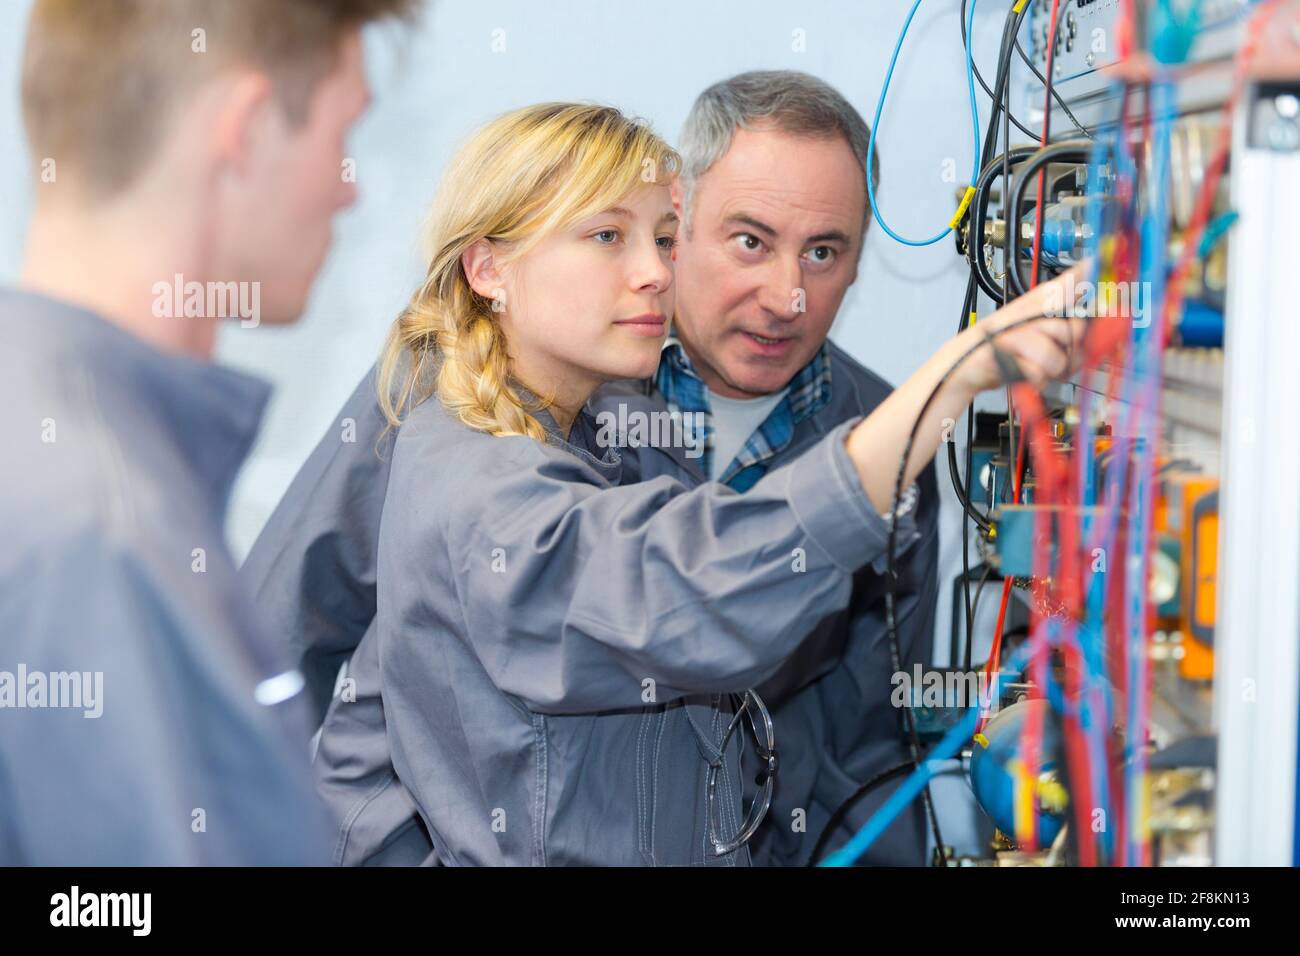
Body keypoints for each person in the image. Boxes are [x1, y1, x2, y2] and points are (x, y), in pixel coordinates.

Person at [250, 100, 1082, 866]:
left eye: (824, 252)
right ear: (488, 270)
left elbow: (865, 735)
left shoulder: (614, 406)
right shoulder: (460, 427)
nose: (785, 294)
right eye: (749, 241)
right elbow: (294, 632)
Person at [0, 0, 416, 865]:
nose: (349, 186)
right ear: (249, 126)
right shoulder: (105, 529)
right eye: (344, 133)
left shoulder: (60, 449)